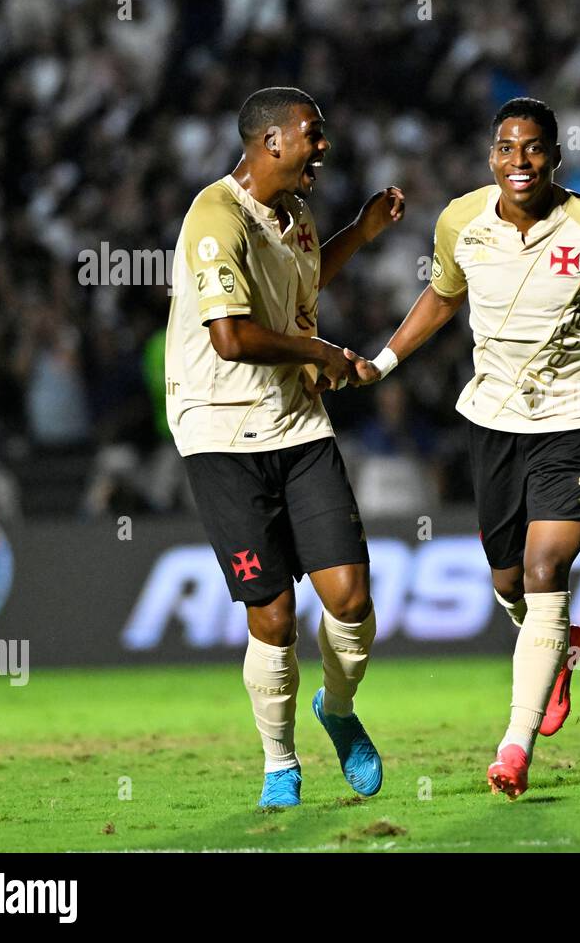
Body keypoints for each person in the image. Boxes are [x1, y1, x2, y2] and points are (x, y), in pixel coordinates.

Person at [353, 97, 580, 798]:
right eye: (505, 149)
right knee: (507, 581)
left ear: (556, 156)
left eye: (532, 149)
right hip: (493, 416)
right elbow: (441, 296)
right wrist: (383, 362)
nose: (518, 161)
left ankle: (514, 746)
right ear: (492, 157)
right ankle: (559, 648)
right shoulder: (460, 221)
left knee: (546, 564)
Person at [164, 86, 404, 807]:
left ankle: (336, 709)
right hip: (218, 431)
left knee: (351, 597)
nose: (322, 147)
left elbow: (297, 283)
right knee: (271, 614)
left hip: (295, 425)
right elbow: (231, 337)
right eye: (312, 135)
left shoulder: (295, 215)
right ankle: (278, 762)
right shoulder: (214, 216)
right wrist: (326, 352)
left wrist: (358, 234)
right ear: (270, 142)